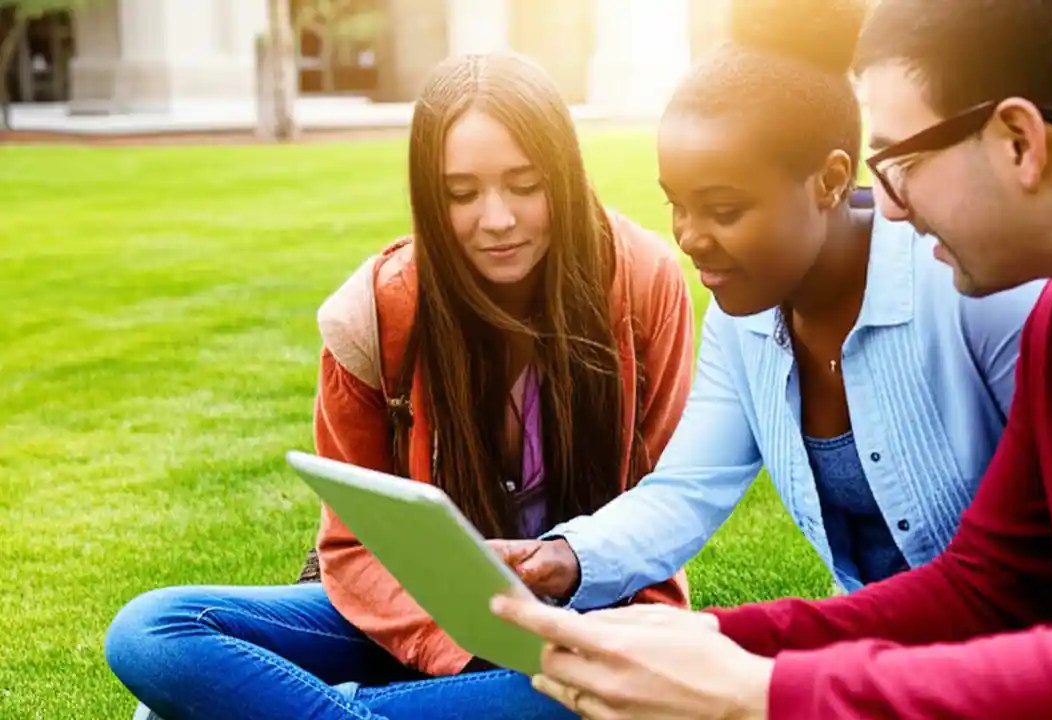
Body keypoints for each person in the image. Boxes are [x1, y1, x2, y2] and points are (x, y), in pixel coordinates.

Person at [493, 0, 1052, 718]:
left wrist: (765, 694)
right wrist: (712, 641)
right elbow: (987, 588)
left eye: (899, 163)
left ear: (1020, 141)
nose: (890, 205)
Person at [102, 52, 695, 720]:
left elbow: (662, 501)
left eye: (524, 185)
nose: (496, 219)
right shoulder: (377, 312)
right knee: (152, 631)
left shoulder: (642, 284)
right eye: (461, 194)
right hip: (408, 616)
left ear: (562, 173)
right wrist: (465, 647)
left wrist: (604, 626)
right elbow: (352, 546)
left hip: (582, 626)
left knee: (611, 698)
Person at [490, 0, 1043, 614]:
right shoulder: (740, 321)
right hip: (868, 655)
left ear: (830, 181)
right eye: (678, 204)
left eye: (724, 210)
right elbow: (686, 490)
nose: (689, 236)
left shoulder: (962, 284)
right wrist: (564, 557)